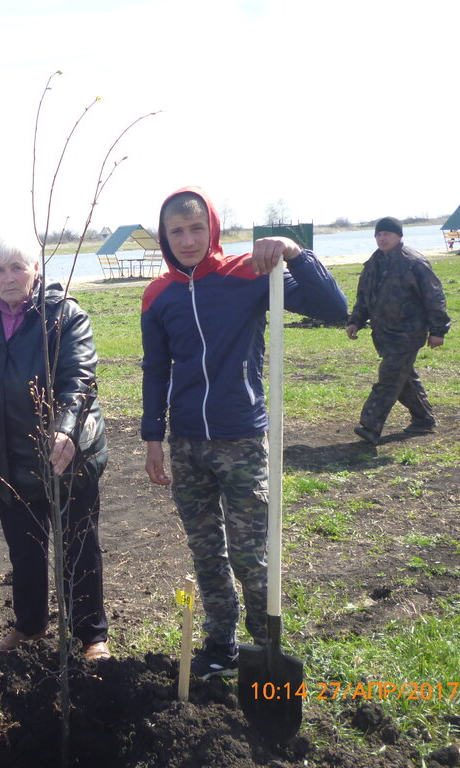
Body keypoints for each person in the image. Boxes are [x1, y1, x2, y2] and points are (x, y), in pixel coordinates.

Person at [141, 187, 348, 680]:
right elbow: (155, 370)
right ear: (164, 237)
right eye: (176, 231)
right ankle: (221, 644)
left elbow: (334, 308)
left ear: (211, 227)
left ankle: (265, 646)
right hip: (188, 443)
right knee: (206, 551)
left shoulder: (249, 275)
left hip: (242, 440)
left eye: (196, 228)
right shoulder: (158, 295)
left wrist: (296, 254)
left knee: (250, 552)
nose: (188, 240)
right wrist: (154, 436)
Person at [0, 235, 111, 661]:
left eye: (17, 268)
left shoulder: (64, 315)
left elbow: (81, 380)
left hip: (66, 455)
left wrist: (65, 431)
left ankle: (91, 636)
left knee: (79, 546)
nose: (8, 278)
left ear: (35, 268)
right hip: (9, 457)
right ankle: (30, 627)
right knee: (24, 550)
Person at [346, 216, 451, 444]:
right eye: (379, 234)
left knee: (389, 378)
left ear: (399, 236)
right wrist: (355, 321)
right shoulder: (373, 264)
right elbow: (364, 298)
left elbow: (434, 297)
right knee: (403, 380)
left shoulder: (414, 262)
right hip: (384, 334)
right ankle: (424, 420)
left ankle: (370, 426)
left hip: (408, 333)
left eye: (387, 234)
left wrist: (437, 330)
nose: (382, 238)